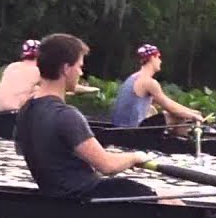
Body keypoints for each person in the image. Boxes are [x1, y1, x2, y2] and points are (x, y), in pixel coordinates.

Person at [14, 34, 158, 200]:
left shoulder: (25, 110)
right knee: (169, 198)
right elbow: (108, 165)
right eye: (80, 66)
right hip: (85, 196)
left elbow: (36, 153)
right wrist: (135, 157)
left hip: (55, 196)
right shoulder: (66, 115)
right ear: (66, 69)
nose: (81, 72)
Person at [109, 43, 202, 128]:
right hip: (132, 131)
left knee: (155, 110)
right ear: (152, 58)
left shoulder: (133, 77)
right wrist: (194, 116)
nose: (160, 61)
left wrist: (193, 112)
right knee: (178, 117)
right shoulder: (149, 82)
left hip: (120, 127)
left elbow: (170, 102)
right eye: (158, 57)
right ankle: (183, 144)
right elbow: (170, 107)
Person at [0, 39, 98, 112]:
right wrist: (93, 89)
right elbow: (68, 87)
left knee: (38, 89)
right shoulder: (38, 70)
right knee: (39, 91)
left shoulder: (12, 67)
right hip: (15, 113)